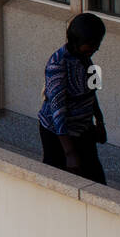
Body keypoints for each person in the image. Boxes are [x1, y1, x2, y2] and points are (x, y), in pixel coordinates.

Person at [37, 13, 108, 184]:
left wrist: (99, 122)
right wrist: (70, 153)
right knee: (60, 182)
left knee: (96, 181)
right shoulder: (58, 64)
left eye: (97, 44)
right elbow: (58, 110)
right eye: (90, 45)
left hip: (83, 129)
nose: (94, 48)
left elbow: (92, 93)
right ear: (76, 41)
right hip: (59, 136)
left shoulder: (87, 60)